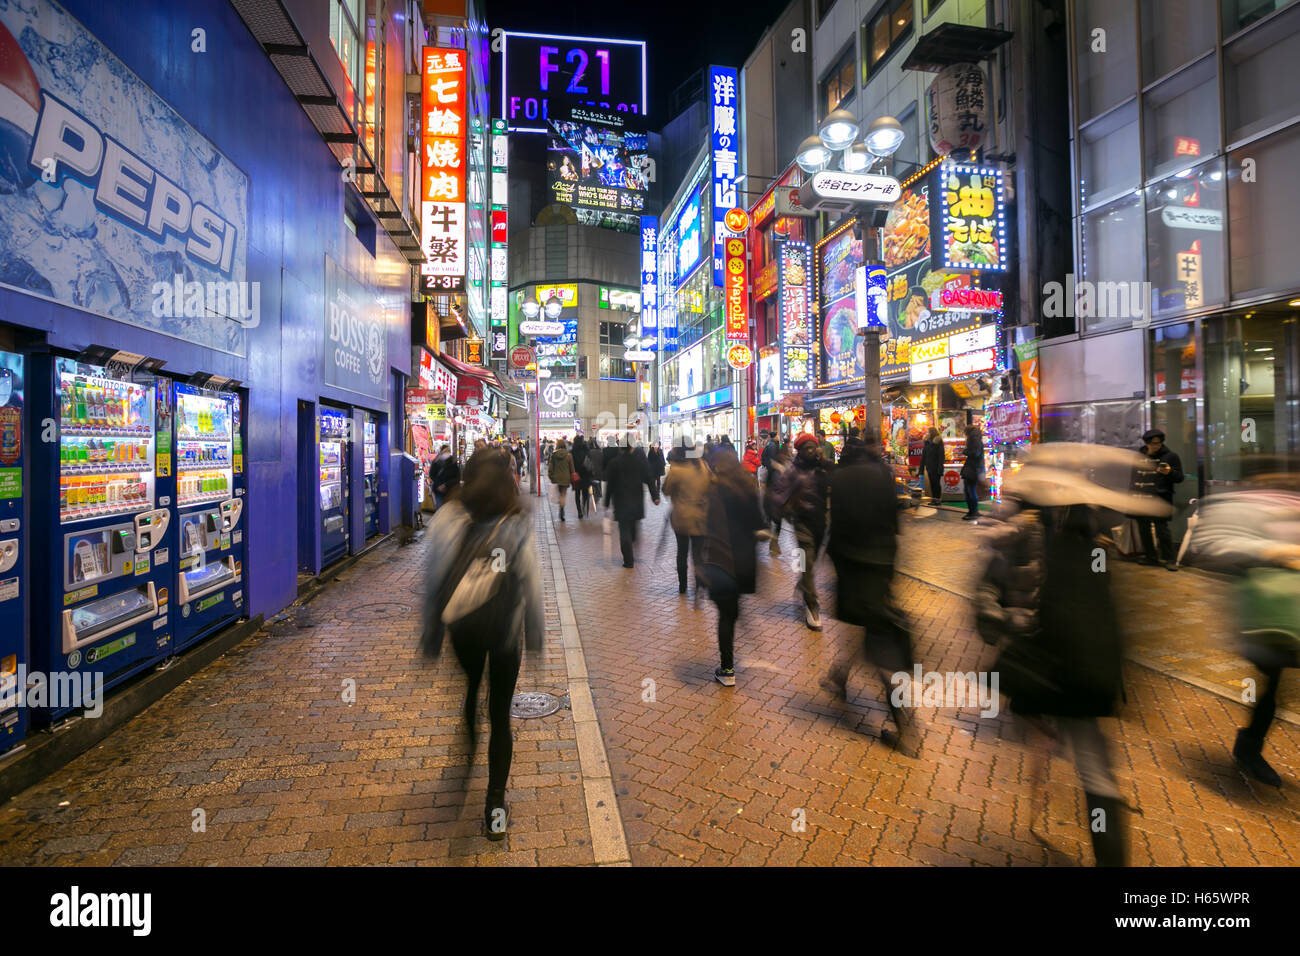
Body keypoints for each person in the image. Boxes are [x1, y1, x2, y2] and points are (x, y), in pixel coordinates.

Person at [978, 444, 1170, 866]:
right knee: (1096, 771)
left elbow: (988, 599)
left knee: (1072, 749)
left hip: (1048, 664)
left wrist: (1005, 625)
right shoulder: (1095, 534)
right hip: (1090, 664)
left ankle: (1052, 750)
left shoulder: (1020, 529)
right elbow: (1102, 596)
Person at [419, 448, 544, 841]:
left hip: (464, 629)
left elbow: (433, 580)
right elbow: (531, 581)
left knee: (472, 690)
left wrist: (431, 633)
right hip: (505, 631)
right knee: (501, 715)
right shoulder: (517, 521)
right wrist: (536, 634)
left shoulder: (448, 518)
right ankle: (495, 805)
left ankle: (465, 760)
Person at [1189, 462, 1300, 787]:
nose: (1284, 482)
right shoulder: (1236, 508)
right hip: (1261, 618)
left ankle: (1249, 746)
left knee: (1276, 688)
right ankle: (1249, 748)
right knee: (1272, 685)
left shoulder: (1292, 508)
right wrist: (1271, 551)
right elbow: (1211, 546)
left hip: (1292, 615)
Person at [823, 430, 918, 755]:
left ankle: (906, 725)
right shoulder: (882, 473)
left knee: (877, 643)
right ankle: (839, 676)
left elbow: (837, 525)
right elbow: (894, 518)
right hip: (881, 564)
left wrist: (834, 560)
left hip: (854, 568)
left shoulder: (842, 478)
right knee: (867, 626)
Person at [698, 446, 766, 686]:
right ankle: (728, 665)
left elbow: (705, 526)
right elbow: (760, 524)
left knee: (725, 617)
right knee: (732, 613)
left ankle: (727, 669)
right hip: (744, 562)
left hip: (721, 561)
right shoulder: (748, 488)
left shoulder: (714, 491)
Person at [770, 432, 830, 630]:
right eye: (807, 448)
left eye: (814, 447)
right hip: (802, 525)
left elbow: (835, 478)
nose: (812, 451)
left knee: (811, 565)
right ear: (800, 451)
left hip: (820, 523)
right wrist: (786, 512)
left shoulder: (822, 467)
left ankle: (804, 586)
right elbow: (778, 496)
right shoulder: (793, 472)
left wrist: (825, 462)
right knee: (806, 564)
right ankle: (812, 606)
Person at [663, 440, 711, 595]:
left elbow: (666, 491)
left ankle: (682, 587)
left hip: (682, 518)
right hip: (701, 518)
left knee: (682, 552)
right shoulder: (703, 467)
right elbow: (712, 487)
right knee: (698, 555)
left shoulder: (677, 471)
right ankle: (699, 587)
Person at [604, 438, 658, 567]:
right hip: (636, 499)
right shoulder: (639, 462)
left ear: (620, 448)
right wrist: (655, 496)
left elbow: (610, 485)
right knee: (633, 526)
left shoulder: (614, 463)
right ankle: (631, 542)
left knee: (624, 530)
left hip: (621, 500)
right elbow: (649, 478)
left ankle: (628, 560)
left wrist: (606, 501)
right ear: (632, 447)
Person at [1135, 428, 1185, 570]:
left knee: (1162, 530)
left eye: (1158, 443)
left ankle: (1169, 559)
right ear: (1146, 444)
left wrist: (1169, 472)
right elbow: (1134, 476)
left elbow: (1180, 477)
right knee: (1143, 529)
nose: (1156, 446)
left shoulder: (1170, 456)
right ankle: (1151, 557)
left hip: (1160, 498)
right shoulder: (1140, 456)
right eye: (1153, 443)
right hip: (1141, 498)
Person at [763, 437, 793, 556]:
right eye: (790, 448)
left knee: (774, 522)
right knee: (776, 522)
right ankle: (773, 543)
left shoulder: (779, 464)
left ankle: (773, 543)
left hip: (773, 498)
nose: (791, 451)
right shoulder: (783, 466)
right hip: (776, 499)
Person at [960, 424, 985, 520]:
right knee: (969, 490)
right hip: (974, 468)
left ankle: (973, 512)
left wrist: (965, 451)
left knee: (969, 491)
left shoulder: (974, 438)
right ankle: (973, 512)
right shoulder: (976, 437)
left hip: (973, 469)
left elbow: (975, 453)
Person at [548, 437, 574, 521]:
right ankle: (561, 510)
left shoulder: (554, 454)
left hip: (556, 478)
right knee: (563, 494)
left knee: (558, 493)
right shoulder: (569, 455)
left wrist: (551, 477)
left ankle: (560, 505)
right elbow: (572, 468)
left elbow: (550, 468)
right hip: (566, 478)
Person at [428, 445, 460, 509]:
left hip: (449, 490)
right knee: (441, 509)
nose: (446, 453)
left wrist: (445, 485)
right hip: (440, 491)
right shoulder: (436, 461)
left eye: (448, 451)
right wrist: (439, 486)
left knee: (446, 510)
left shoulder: (453, 462)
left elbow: (457, 477)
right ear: (441, 451)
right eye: (445, 451)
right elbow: (432, 475)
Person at [919, 427, 945, 505]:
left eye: (928, 432)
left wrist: (940, 467)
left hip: (936, 466)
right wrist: (921, 468)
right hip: (929, 467)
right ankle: (934, 499)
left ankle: (938, 499)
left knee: (936, 483)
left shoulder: (938, 441)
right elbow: (924, 456)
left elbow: (941, 456)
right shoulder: (927, 442)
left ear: (932, 433)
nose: (927, 433)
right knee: (932, 484)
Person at [571, 434, 592, 519]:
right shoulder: (586, 450)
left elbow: (571, 464)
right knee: (585, 492)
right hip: (585, 474)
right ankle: (584, 505)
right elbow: (590, 462)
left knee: (577, 493)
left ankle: (579, 511)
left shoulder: (572, 451)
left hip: (576, 475)